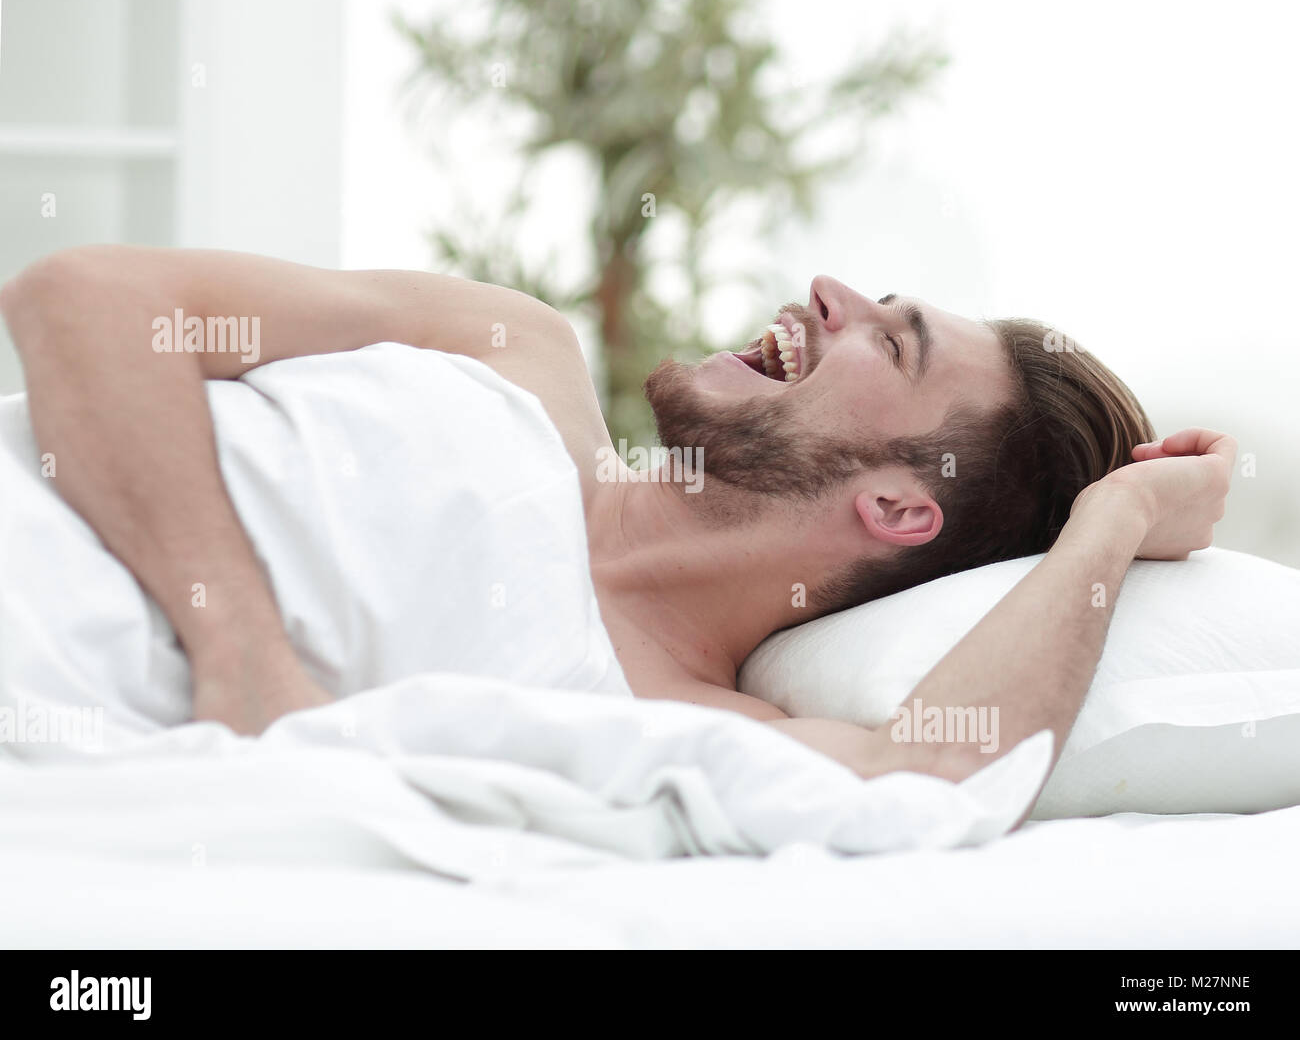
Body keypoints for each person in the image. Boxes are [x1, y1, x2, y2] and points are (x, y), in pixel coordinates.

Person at [1, 245, 1234, 800]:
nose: (829, 292)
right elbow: (89, 298)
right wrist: (245, 655)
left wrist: (1115, 521)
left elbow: (931, 773)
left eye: (890, 340)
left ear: (899, 506)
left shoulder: (674, 725)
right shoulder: (510, 347)